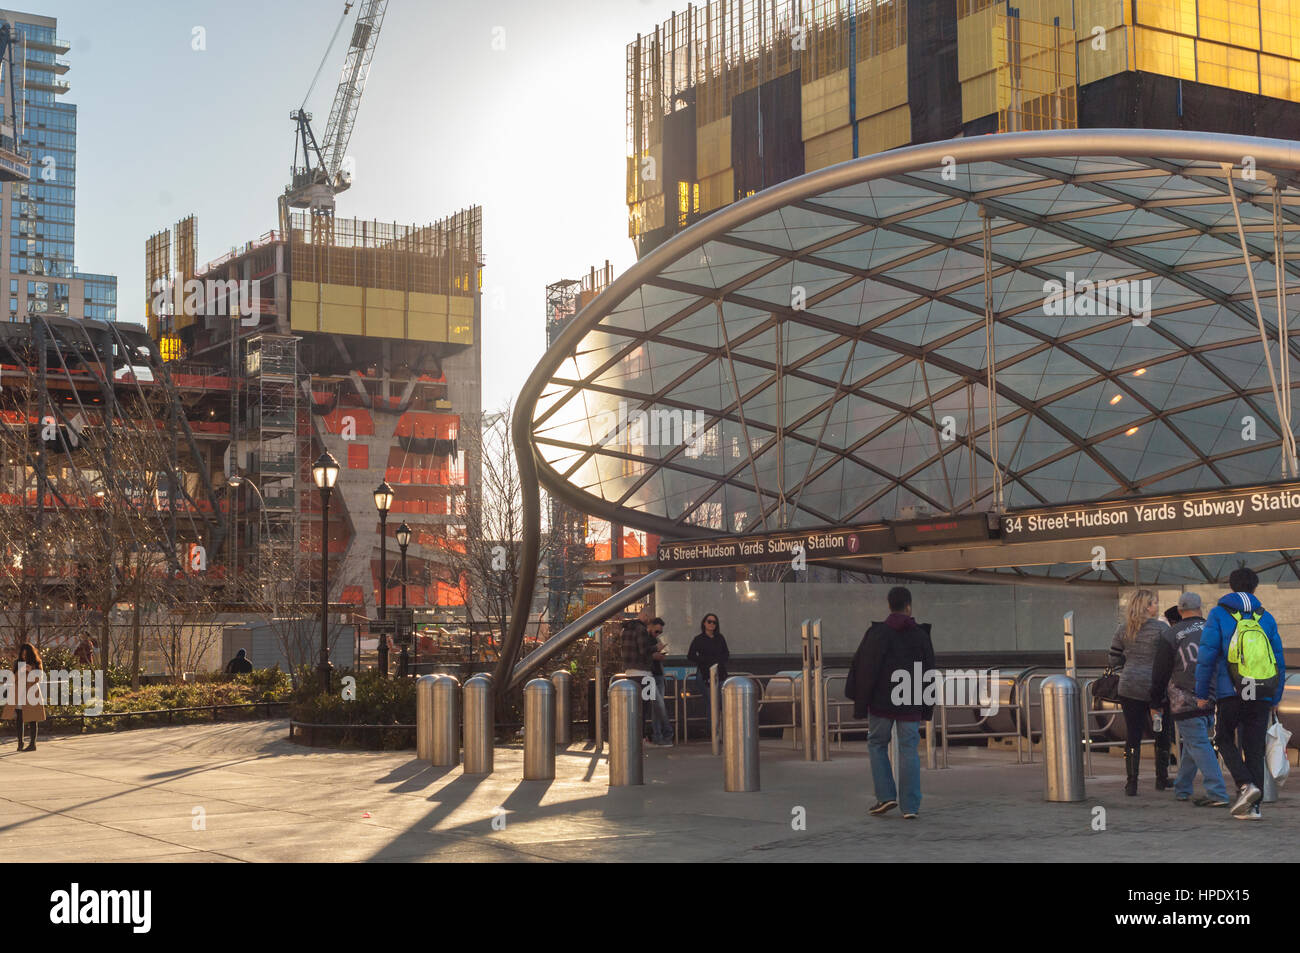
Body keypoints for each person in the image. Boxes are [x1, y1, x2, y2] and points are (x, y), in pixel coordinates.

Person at [1196, 567, 1286, 819]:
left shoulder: (1218, 614)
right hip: (1261, 692)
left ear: (1231, 586)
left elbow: (1206, 657)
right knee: (1254, 748)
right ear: (1255, 588)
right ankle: (1253, 809)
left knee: (1222, 737)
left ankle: (1246, 785)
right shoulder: (1265, 617)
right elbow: (1278, 661)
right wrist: (1275, 697)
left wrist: (1202, 692)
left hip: (1232, 690)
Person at [845, 586, 935, 820]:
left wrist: (861, 701)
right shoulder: (920, 635)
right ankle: (911, 806)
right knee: (909, 750)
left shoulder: (876, 634)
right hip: (911, 701)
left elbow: (864, 667)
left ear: (889, 606)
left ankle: (886, 797)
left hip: (881, 703)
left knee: (876, 744)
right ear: (909, 606)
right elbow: (928, 671)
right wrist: (926, 706)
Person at [1151, 592, 1228, 806]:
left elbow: (1160, 673)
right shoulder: (1214, 629)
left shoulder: (1171, 634)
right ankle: (1183, 787)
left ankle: (1217, 793)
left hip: (1184, 698)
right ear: (1200, 608)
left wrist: (1155, 703)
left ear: (1179, 610)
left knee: (1199, 743)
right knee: (1195, 741)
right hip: (1213, 696)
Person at [1109, 589, 1172, 796]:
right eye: (1154, 602)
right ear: (1147, 606)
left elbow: (1113, 659)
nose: (1157, 606)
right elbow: (1168, 658)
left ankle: (1132, 782)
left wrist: (1129, 665)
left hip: (1129, 686)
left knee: (1133, 733)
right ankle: (1161, 779)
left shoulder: (1123, 629)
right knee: (1161, 732)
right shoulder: (1162, 629)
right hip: (1156, 688)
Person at [620, 613, 662, 743]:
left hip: (629, 673)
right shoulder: (641, 630)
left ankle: (632, 736)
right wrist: (657, 648)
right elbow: (644, 651)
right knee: (644, 708)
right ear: (644, 618)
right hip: (645, 674)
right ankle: (642, 737)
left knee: (633, 709)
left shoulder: (626, 629)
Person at [687, 613, 729, 735]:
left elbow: (726, 653)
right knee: (713, 702)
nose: (711, 624)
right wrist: (704, 661)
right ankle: (715, 733)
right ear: (704, 623)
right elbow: (690, 655)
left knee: (722, 702)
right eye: (709, 621)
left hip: (720, 673)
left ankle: (724, 730)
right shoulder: (698, 639)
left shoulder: (720, 638)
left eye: (714, 622)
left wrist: (719, 662)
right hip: (705, 674)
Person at [3, 643, 45, 752]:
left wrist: (31, 670)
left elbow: (39, 679)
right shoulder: (17, 663)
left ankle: (32, 744)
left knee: (32, 719)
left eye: (26, 654)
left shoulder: (37, 662)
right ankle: (20, 742)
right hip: (19, 693)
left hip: (31, 694)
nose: (24, 656)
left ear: (31, 654)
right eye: (22, 654)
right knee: (19, 719)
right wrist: (19, 672)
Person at [647, 617, 673, 746]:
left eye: (660, 632)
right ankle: (667, 732)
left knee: (657, 707)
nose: (658, 634)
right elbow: (644, 654)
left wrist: (661, 654)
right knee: (659, 705)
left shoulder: (655, 639)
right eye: (656, 631)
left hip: (658, 675)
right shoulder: (645, 638)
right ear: (650, 626)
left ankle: (657, 735)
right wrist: (655, 654)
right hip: (649, 675)